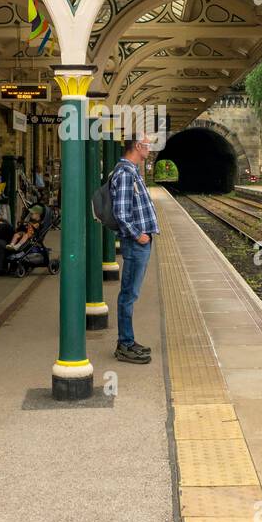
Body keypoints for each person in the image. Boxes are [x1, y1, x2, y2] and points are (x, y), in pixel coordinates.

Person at [110, 135, 159, 364]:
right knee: (129, 294)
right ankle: (125, 344)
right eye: (148, 145)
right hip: (136, 243)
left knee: (131, 293)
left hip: (141, 241)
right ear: (138, 147)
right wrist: (138, 235)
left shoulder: (133, 172)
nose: (150, 149)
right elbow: (121, 213)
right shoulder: (125, 174)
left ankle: (128, 340)